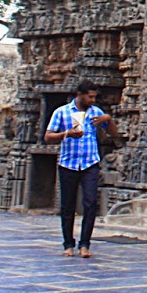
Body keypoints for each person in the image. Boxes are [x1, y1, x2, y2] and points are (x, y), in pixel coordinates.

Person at [43, 82, 113, 258]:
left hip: (90, 162)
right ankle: (68, 244)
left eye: (94, 97)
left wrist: (108, 119)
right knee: (68, 205)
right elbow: (48, 137)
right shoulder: (62, 112)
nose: (92, 100)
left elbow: (114, 134)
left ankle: (85, 244)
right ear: (80, 95)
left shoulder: (96, 112)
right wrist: (66, 134)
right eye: (90, 96)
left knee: (90, 203)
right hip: (69, 163)